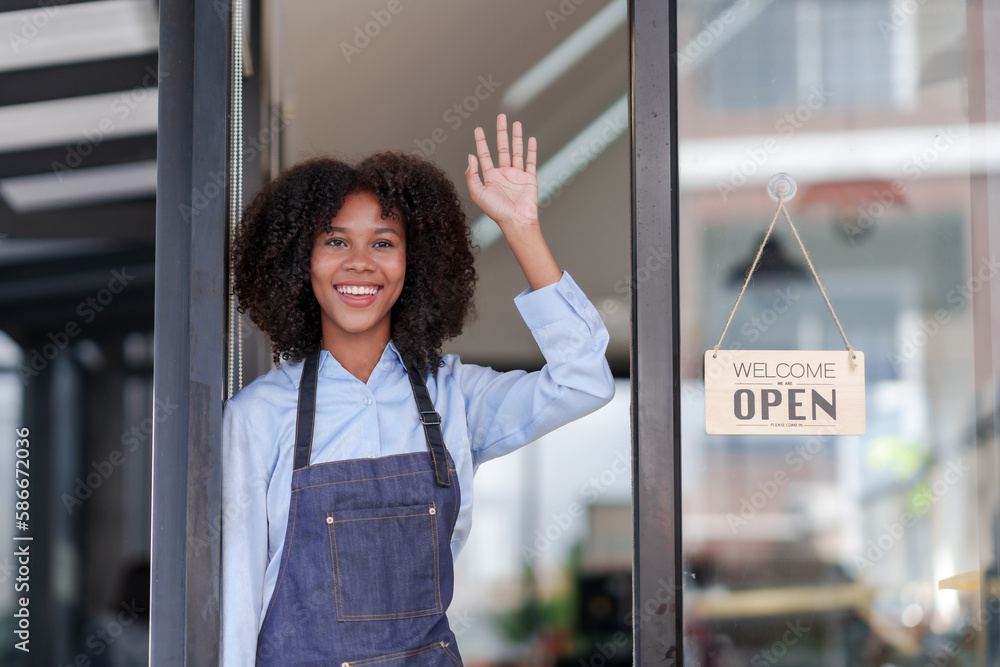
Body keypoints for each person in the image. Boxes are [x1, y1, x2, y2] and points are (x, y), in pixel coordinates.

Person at [222, 114, 615, 665]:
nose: (360, 262)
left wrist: (521, 228)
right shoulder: (258, 414)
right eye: (335, 240)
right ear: (298, 263)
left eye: (383, 242)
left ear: (415, 264)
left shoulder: (454, 397)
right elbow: (236, 598)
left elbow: (583, 381)